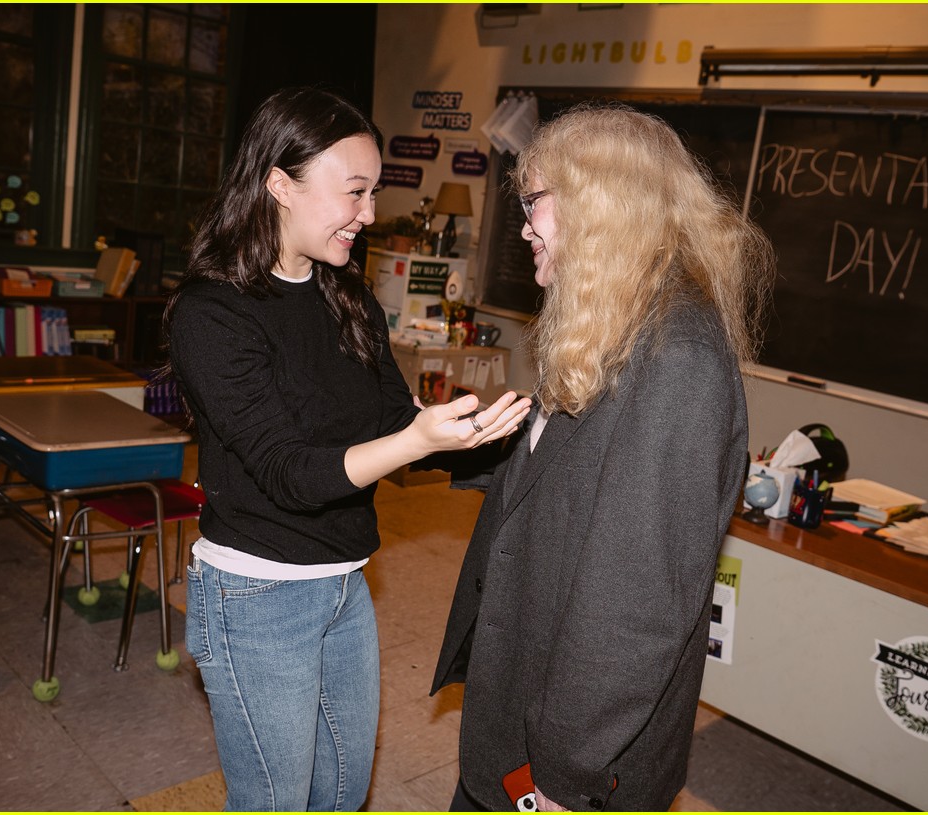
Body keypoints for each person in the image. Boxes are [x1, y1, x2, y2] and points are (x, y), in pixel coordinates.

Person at [163, 86, 531, 811]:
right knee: (275, 801)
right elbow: (289, 473)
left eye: (372, 193)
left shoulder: (346, 294)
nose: (369, 214)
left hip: (344, 583)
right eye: (355, 192)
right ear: (278, 184)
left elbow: (393, 419)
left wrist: (466, 435)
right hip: (255, 593)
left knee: (340, 792)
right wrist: (412, 437)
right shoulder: (212, 312)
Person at [431, 103, 775, 811]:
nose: (524, 226)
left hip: (566, 763)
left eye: (535, 202)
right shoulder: (618, 318)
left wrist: (563, 776)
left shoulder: (677, 357)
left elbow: (636, 609)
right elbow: (566, 476)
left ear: (601, 201)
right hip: (527, 708)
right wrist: (439, 446)